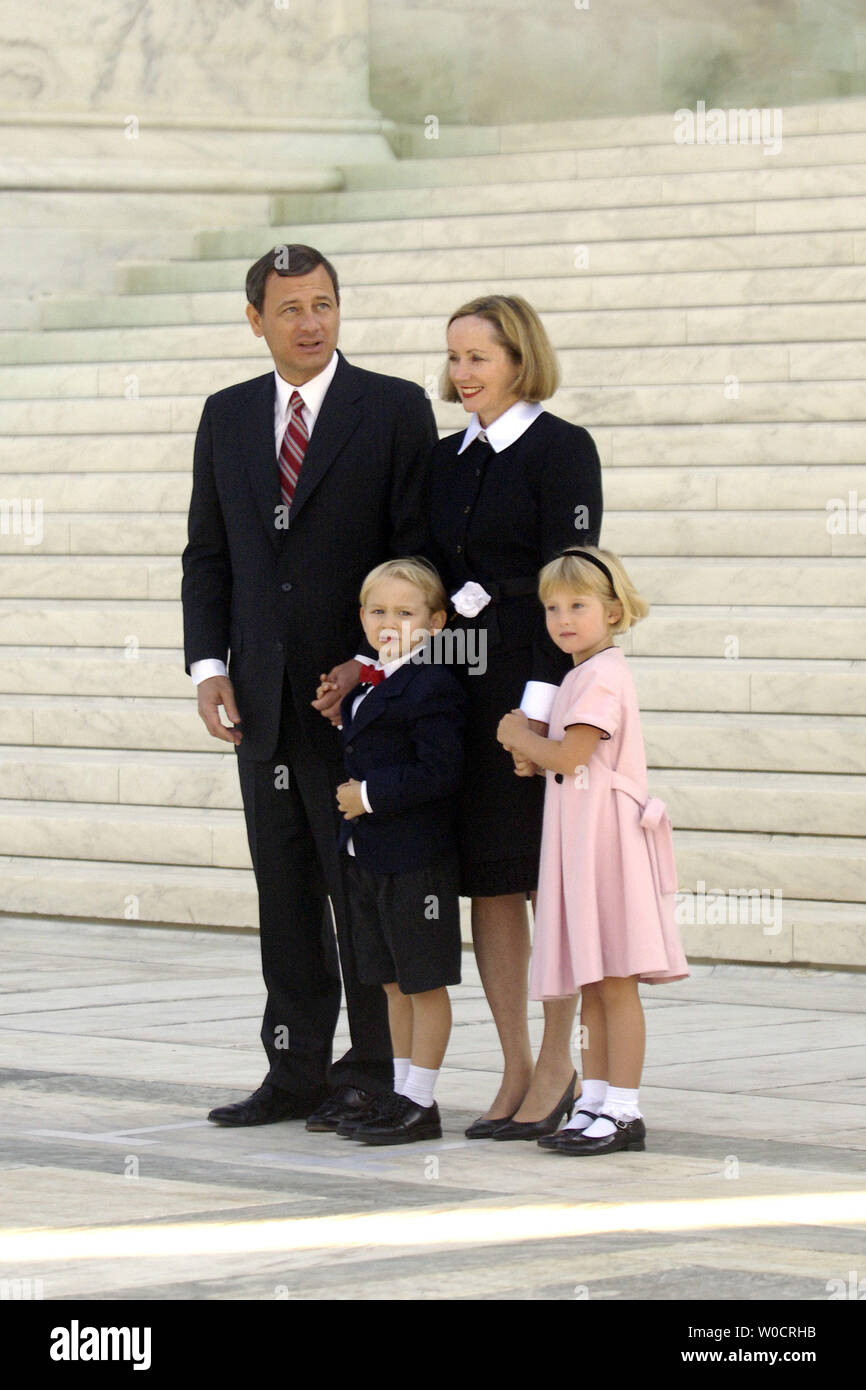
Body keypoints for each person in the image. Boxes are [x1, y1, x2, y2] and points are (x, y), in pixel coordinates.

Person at [182, 244, 437, 1132]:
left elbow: (416, 557)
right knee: (283, 891)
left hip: (360, 707)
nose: (310, 322)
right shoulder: (225, 416)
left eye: (324, 303)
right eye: (290, 308)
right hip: (259, 699)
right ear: (256, 319)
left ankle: (370, 1070)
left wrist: (369, 664)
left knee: (359, 893)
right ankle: (293, 1070)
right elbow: (208, 554)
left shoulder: (395, 409)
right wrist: (209, 666)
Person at [428, 294, 603, 1140]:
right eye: (455, 358)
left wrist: (535, 718)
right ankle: (514, 1065)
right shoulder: (444, 457)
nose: (462, 375)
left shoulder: (563, 449)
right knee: (489, 884)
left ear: (520, 360)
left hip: (529, 691)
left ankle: (562, 1061)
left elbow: (566, 579)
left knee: (544, 882)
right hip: (455, 692)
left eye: (479, 358)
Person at [496, 546, 689, 1155]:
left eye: (577, 605)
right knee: (599, 979)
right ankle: (597, 1100)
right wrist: (535, 750)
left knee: (617, 981)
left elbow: (574, 757)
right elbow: (564, 761)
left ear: (611, 610)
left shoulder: (602, 673)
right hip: (584, 840)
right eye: (552, 607)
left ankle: (623, 1110)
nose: (562, 618)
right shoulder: (581, 673)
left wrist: (517, 733)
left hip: (607, 845)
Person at [325, 557, 465, 1145]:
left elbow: (441, 770)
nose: (389, 622)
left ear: (435, 624)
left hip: (414, 857)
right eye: (378, 610)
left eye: (405, 613)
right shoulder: (371, 684)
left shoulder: (432, 683)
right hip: (368, 854)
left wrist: (368, 795)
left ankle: (421, 1101)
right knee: (388, 982)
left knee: (422, 981)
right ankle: (399, 1090)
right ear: (361, 617)